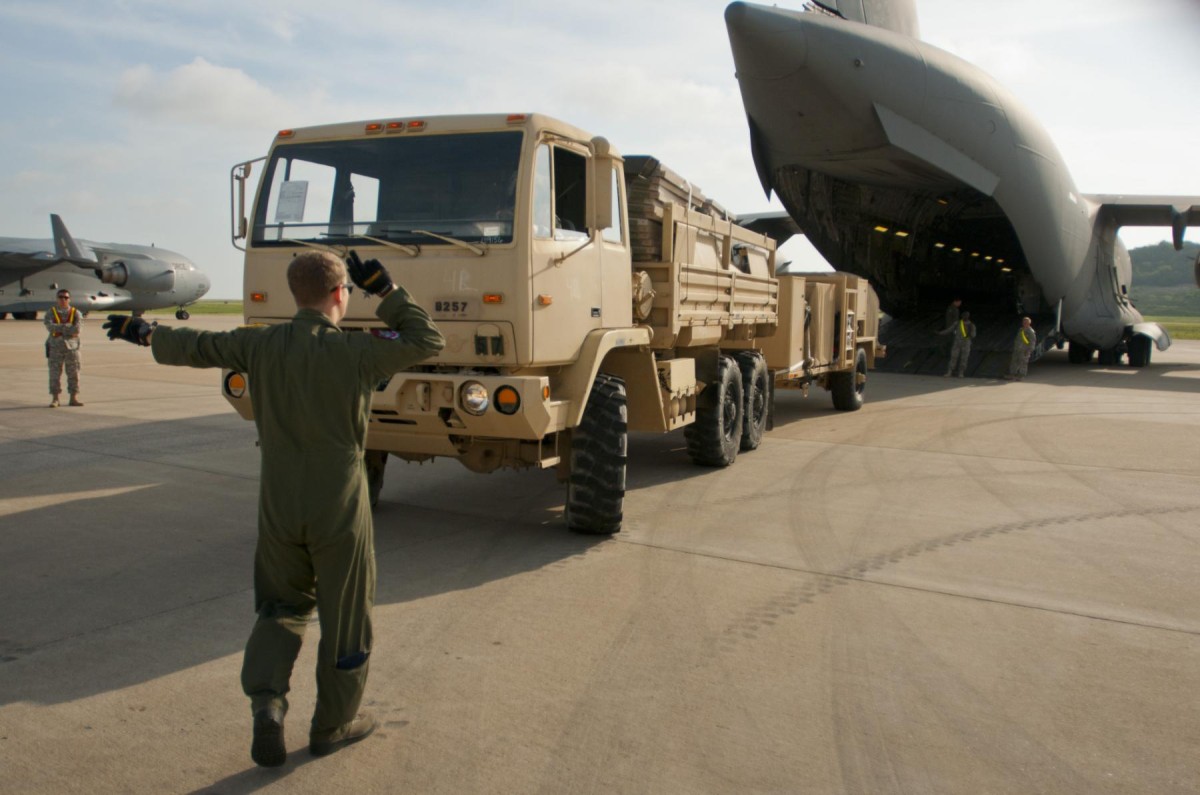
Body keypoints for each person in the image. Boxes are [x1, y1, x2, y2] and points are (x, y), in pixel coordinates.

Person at [103, 251, 444, 767]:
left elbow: (198, 346)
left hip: (279, 503)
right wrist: (387, 291)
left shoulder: (259, 343)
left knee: (281, 608)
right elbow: (427, 340)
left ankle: (268, 704)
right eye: (348, 291)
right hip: (339, 504)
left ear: (295, 293)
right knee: (346, 618)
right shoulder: (355, 352)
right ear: (338, 294)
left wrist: (143, 332)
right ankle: (333, 723)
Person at [44, 288, 83, 407]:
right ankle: (55, 399)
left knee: (74, 373)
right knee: (54, 374)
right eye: (61, 297)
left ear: (69, 299)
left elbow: (77, 329)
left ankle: (73, 398)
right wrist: (68, 328)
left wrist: (60, 328)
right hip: (55, 347)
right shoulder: (51, 312)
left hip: (72, 348)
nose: (63, 299)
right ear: (57, 299)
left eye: (66, 297)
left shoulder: (76, 313)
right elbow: (50, 327)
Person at [943, 310, 976, 377]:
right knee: (953, 357)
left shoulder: (971, 325)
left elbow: (973, 335)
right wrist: (941, 333)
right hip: (957, 342)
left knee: (964, 358)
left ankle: (961, 372)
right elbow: (950, 329)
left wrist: (970, 334)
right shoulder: (957, 323)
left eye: (966, 315)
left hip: (966, 343)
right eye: (964, 315)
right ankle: (950, 371)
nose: (965, 317)